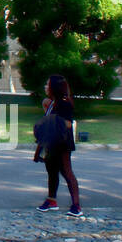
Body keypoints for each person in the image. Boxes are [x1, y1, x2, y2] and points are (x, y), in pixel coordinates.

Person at [35, 74, 83, 217]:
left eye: (47, 84)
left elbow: (68, 123)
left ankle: (76, 206)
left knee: (67, 172)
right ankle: (51, 200)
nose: (45, 86)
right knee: (52, 171)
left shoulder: (64, 103)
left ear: (54, 87)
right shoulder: (52, 103)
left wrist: (51, 121)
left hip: (62, 142)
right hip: (51, 142)